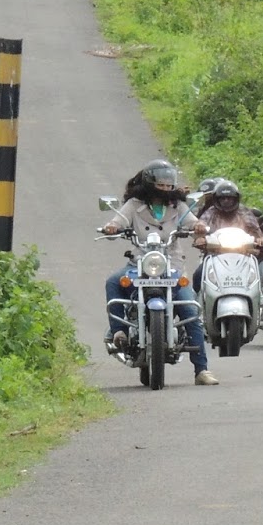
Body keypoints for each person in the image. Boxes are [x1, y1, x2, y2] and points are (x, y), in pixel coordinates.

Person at [99, 160, 218, 386]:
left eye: (168, 186)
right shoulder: (134, 205)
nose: (164, 190)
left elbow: (192, 223)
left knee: (189, 308)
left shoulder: (178, 206)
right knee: (113, 283)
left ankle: (202, 370)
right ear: (149, 184)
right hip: (140, 265)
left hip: (171, 267)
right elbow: (118, 220)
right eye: (160, 186)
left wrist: (199, 228)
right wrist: (111, 227)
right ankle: (119, 332)